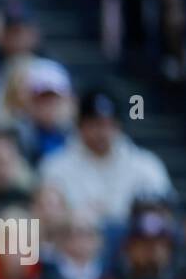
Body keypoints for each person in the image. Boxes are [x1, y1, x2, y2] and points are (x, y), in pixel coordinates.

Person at [40, 88, 173, 225]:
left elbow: (165, 215)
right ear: (80, 126)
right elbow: (48, 220)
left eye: (108, 124)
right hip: (75, 241)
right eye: (95, 124)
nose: (102, 132)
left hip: (133, 243)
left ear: (119, 126)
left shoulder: (146, 165)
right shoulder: (55, 165)